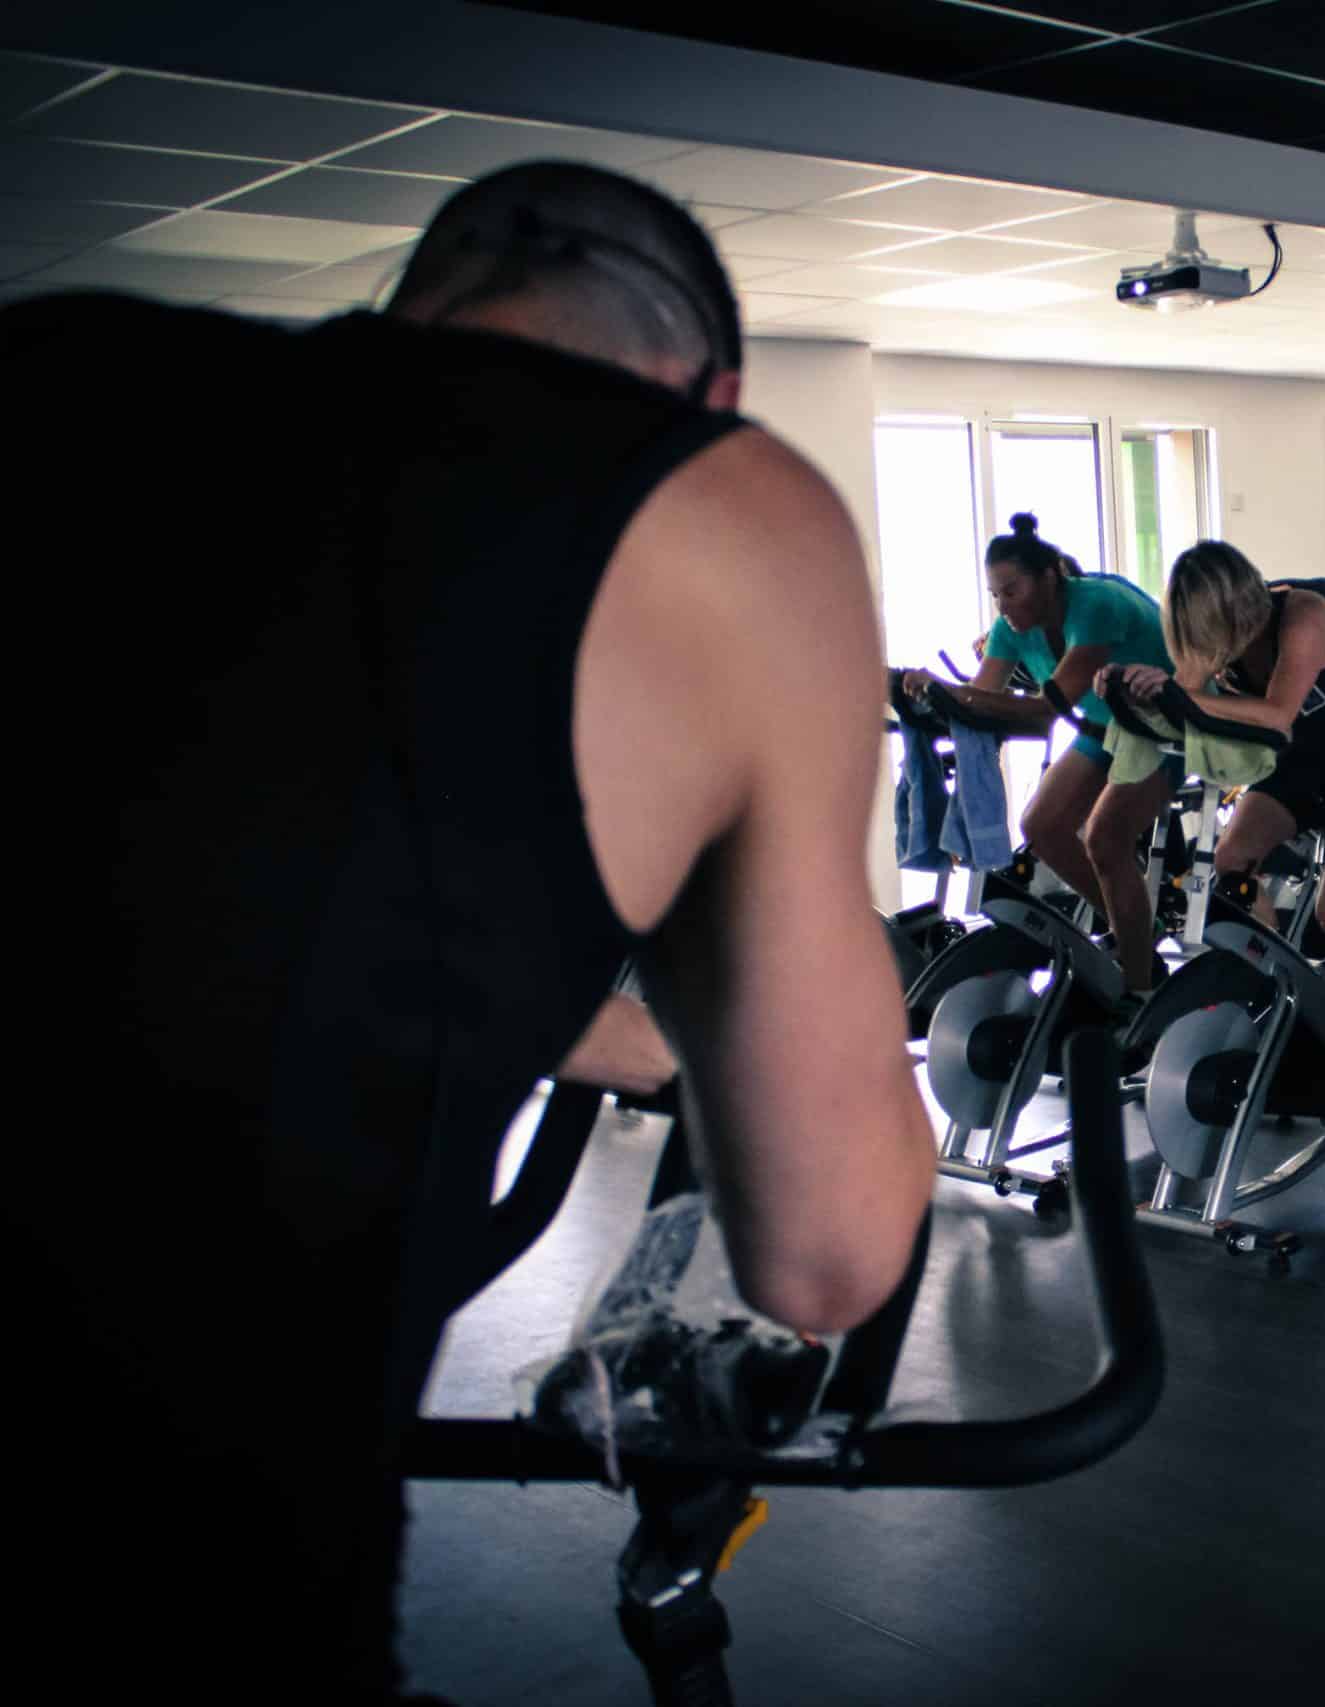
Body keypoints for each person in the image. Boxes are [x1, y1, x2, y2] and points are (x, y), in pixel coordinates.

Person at [3, 161, 937, 1701]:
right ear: (711, 386)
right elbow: (827, 1251)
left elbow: (211, 833)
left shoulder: (57, 362)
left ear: (409, 310)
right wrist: (722, 1042)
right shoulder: (726, 497)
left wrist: (609, 1029)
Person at [1116, 543, 1325, 1081]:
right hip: (1306, 763)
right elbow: (1187, 699)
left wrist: (1180, 694)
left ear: (1233, 612)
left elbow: (1275, 715)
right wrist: (1136, 690)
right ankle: (1284, 992)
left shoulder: (1305, 616)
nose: (1207, 649)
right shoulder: (1222, 645)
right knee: (1230, 864)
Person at [900, 515, 1180, 998]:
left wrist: (950, 692)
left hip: (1165, 727)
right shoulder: (1011, 628)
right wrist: (922, 700)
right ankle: (1134, 934)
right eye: (995, 595)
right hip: (1106, 730)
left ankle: (1140, 988)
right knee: (1041, 827)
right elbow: (978, 698)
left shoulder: (1096, 605)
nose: (1003, 605)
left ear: (1050, 576)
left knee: (1105, 840)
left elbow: (1046, 710)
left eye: (1012, 590)